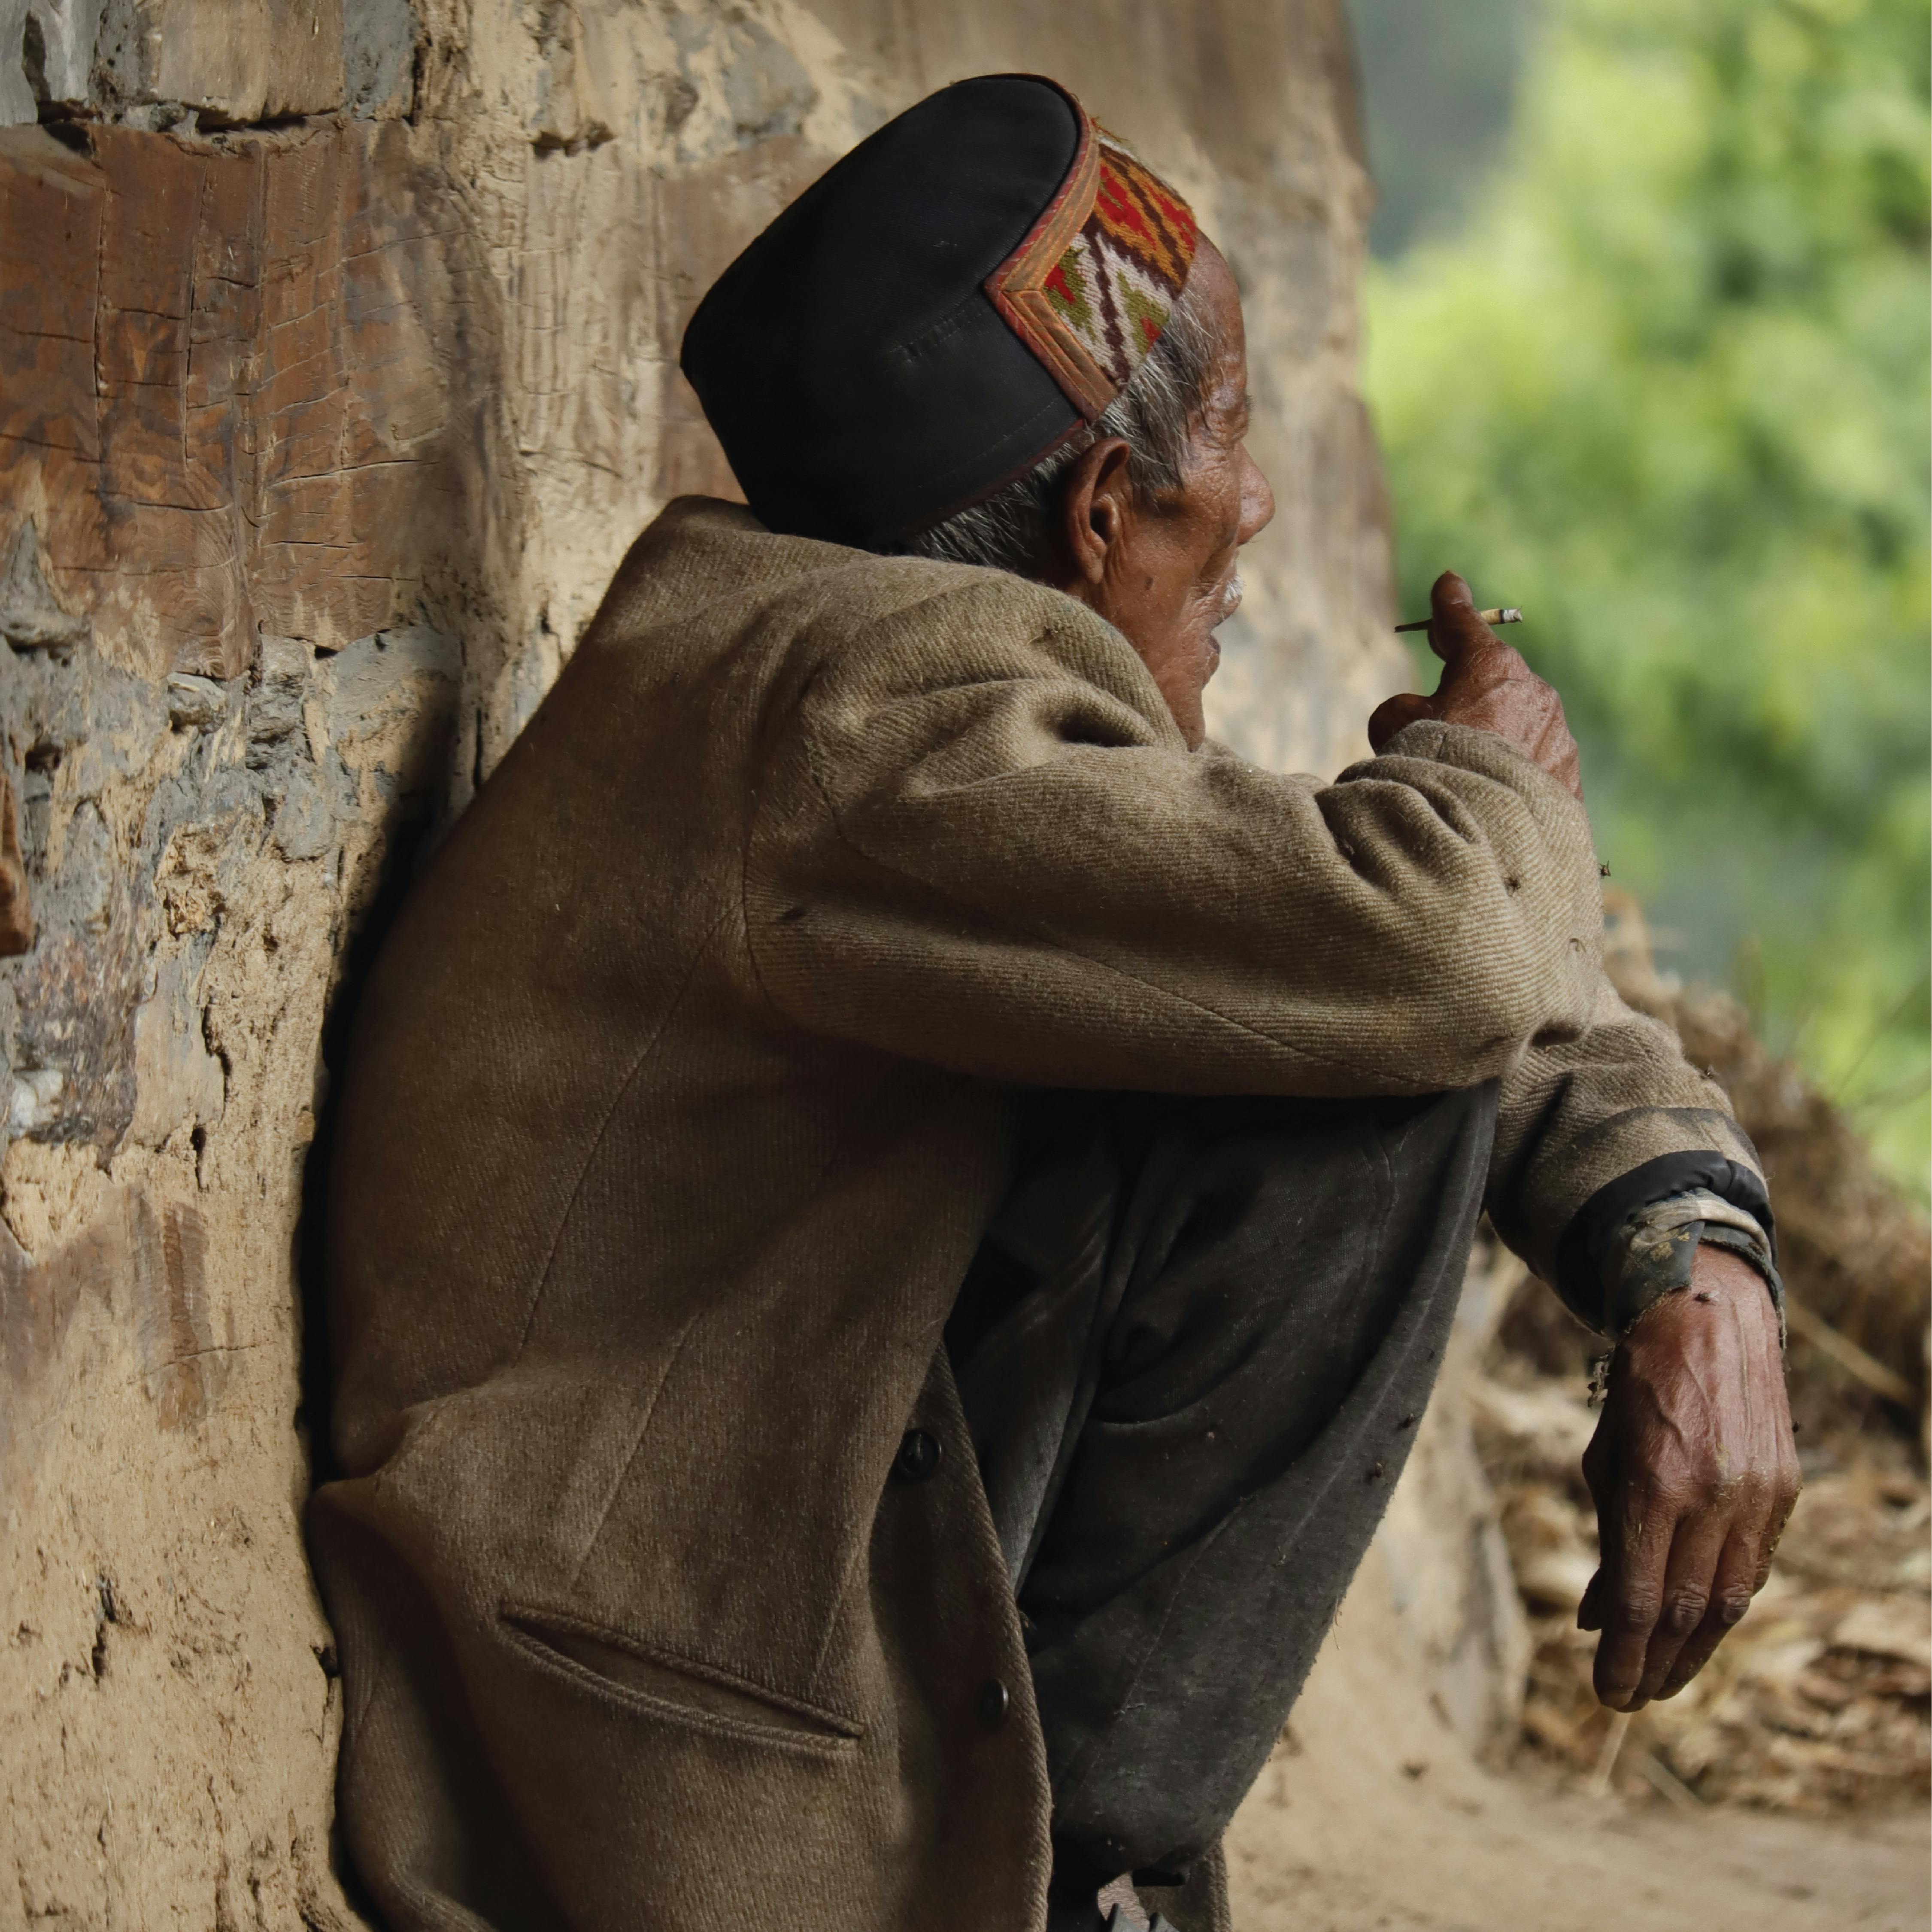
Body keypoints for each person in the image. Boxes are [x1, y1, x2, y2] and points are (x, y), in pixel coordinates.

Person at [308, 74, 1799, 1932]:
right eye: (1231, 442)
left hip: (715, 1639)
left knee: (1330, 1015)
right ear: (1104, 513)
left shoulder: (889, 692)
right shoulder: (859, 724)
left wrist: (1685, 1240)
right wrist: (1497, 784)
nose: (1256, 504)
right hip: (634, 1773)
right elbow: (1438, 961)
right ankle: (1077, 1889)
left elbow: (1366, 954)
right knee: (1371, 1075)